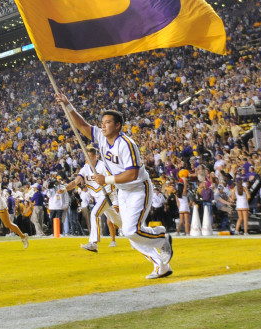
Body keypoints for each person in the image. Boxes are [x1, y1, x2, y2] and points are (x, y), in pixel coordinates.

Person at [55, 92, 173, 279]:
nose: (103, 125)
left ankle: (162, 238)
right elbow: (82, 126)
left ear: (118, 125)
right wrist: (67, 104)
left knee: (132, 231)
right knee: (129, 233)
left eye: (107, 122)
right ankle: (160, 265)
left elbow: (132, 174)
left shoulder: (126, 144)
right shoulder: (101, 138)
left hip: (138, 188)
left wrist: (107, 180)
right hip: (123, 191)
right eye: (102, 122)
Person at [66, 145, 123, 252]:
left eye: (90, 157)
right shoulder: (85, 168)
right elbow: (75, 182)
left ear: (95, 157)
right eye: (86, 157)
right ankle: (132, 231)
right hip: (98, 197)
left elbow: (114, 178)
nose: (87, 159)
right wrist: (65, 189)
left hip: (107, 194)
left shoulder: (104, 166)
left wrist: (104, 180)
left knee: (94, 214)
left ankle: (93, 243)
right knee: (115, 219)